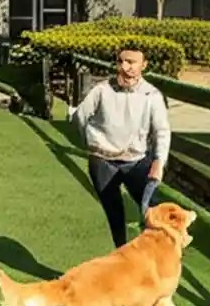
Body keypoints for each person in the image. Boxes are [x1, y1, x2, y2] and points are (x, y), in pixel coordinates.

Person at [66, 42, 172, 249]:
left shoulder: (152, 96)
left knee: (152, 211)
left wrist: (159, 162)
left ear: (144, 65)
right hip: (103, 162)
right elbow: (80, 116)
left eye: (131, 62)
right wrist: (90, 142)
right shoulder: (101, 90)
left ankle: (156, 255)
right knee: (114, 213)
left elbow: (162, 130)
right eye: (121, 61)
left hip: (137, 161)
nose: (125, 67)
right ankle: (122, 255)